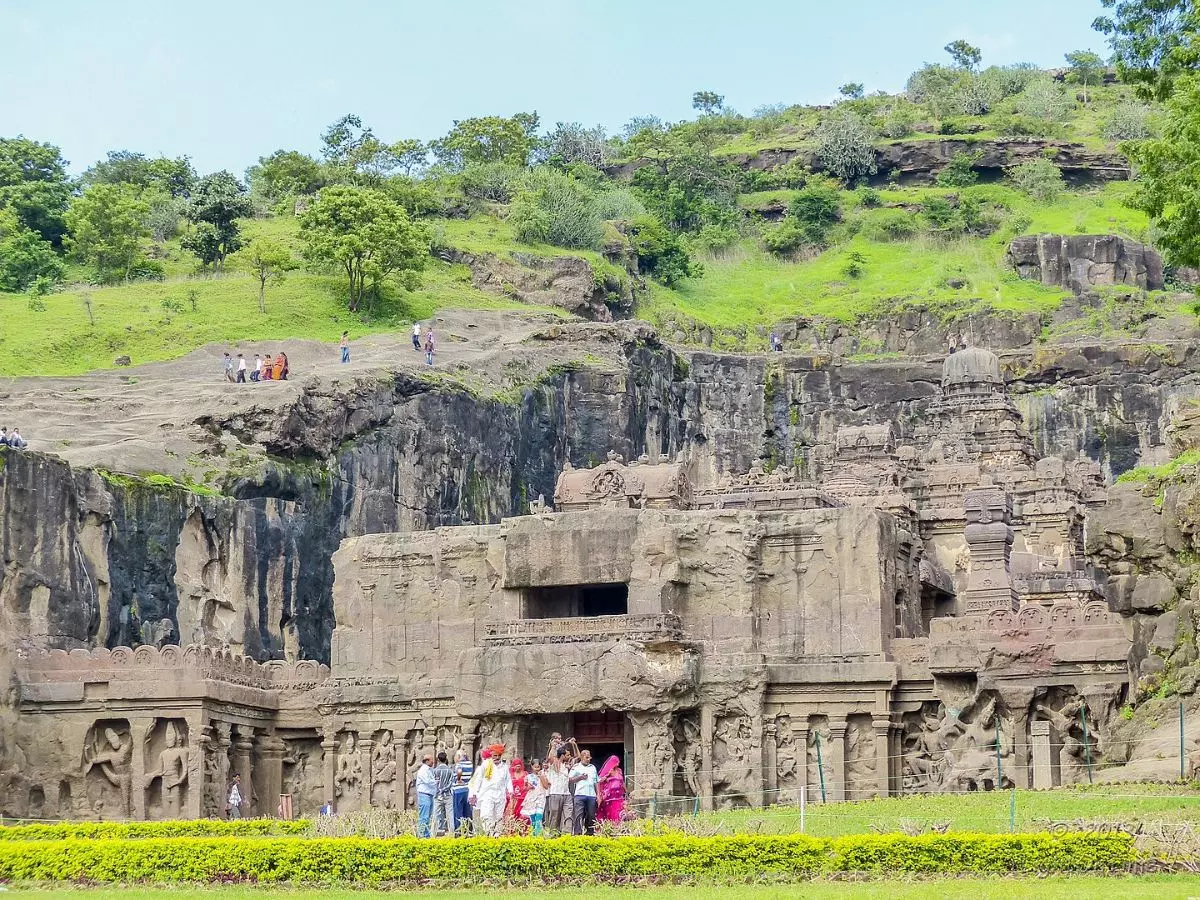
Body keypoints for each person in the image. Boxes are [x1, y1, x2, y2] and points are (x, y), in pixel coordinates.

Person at [468, 743, 512, 837]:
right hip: (487, 795)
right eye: (494, 755)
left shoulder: (504, 767)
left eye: (498, 755)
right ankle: (488, 835)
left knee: (499, 816)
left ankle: (497, 835)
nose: (496, 757)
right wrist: (474, 793)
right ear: (491, 755)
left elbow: (508, 780)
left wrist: (510, 790)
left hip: (500, 795)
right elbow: (478, 779)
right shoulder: (486, 765)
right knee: (487, 815)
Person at [568, 749, 599, 835]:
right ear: (582, 757)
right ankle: (577, 833)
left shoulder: (593, 767)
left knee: (591, 815)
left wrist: (598, 795)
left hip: (591, 795)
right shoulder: (576, 767)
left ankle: (589, 833)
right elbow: (570, 779)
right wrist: (580, 777)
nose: (588, 759)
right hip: (579, 795)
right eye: (586, 757)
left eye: (589, 757)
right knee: (578, 815)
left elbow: (596, 782)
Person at [544, 744, 572, 834]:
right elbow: (551, 758)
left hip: (566, 794)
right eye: (567, 755)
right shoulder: (554, 764)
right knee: (555, 815)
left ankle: (567, 833)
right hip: (555, 793)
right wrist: (552, 747)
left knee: (568, 814)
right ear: (562, 756)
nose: (570, 756)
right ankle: (553, 834)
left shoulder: (566, 766)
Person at [520, 758, 550, 836]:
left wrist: (541, 777)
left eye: (538, 767)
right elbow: (524, 789)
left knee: (539, 817)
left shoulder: (543, 775)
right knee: (533, 819)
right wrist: (528, 787)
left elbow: (546, 787)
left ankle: (538, 835)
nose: (537, 769)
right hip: (531, 800)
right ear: (532, 767)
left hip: (540, 798)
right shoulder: (528, 777)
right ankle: (533, 835)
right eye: (535, 767)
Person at [596, 755, 626, 823]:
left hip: (619, 797)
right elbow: (599, 780)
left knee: (619, 812)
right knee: (611, 812)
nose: (618, 762)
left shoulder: (619, 770)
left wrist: (626, 791)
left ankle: (618, 828)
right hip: (610, 797)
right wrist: (607, 775)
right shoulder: (609, 771)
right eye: (616, 761)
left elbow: (622, 781)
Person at [432, 751, 455, 836]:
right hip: (448, 795)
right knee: (450, 814)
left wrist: (439, 790)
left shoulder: (435, 771)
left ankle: (435, 831)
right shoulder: (450, 771)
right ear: (446, 759)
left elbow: (434, 783)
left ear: (438, 760)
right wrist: (444, 789)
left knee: (436, 814)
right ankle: (451, 832)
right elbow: (451, 783)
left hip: (437, 795)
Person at [451, 748, 474, 836]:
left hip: (458, 790)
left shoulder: (459, 764)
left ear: (459, 756)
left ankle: (459, 830)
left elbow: (459, 771)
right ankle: (469, 829)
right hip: (467, 789)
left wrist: (459, 778)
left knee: (458, 811)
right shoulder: (470, 764)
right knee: (467, 811)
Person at [415, 752, 436, 837]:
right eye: (432, 760)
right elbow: (428, 781)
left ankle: (426, 835)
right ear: (427, 761)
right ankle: (421, 834)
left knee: (428, 816)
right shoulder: (423, 770)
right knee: (424, 816)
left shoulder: (429, 770)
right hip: (424, 795)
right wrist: (436, 782)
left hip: (429, 794)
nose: (433, 762)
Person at [507, 757, 530, 828]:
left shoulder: (525, 774)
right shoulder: (510, 775)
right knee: (512, 815)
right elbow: (507, 785)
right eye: (516, 767)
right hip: (513, 799)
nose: (518, 768)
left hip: (523, 798)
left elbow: (529, 784)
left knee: (523, 816)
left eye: (519, 766)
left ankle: (524, 831)